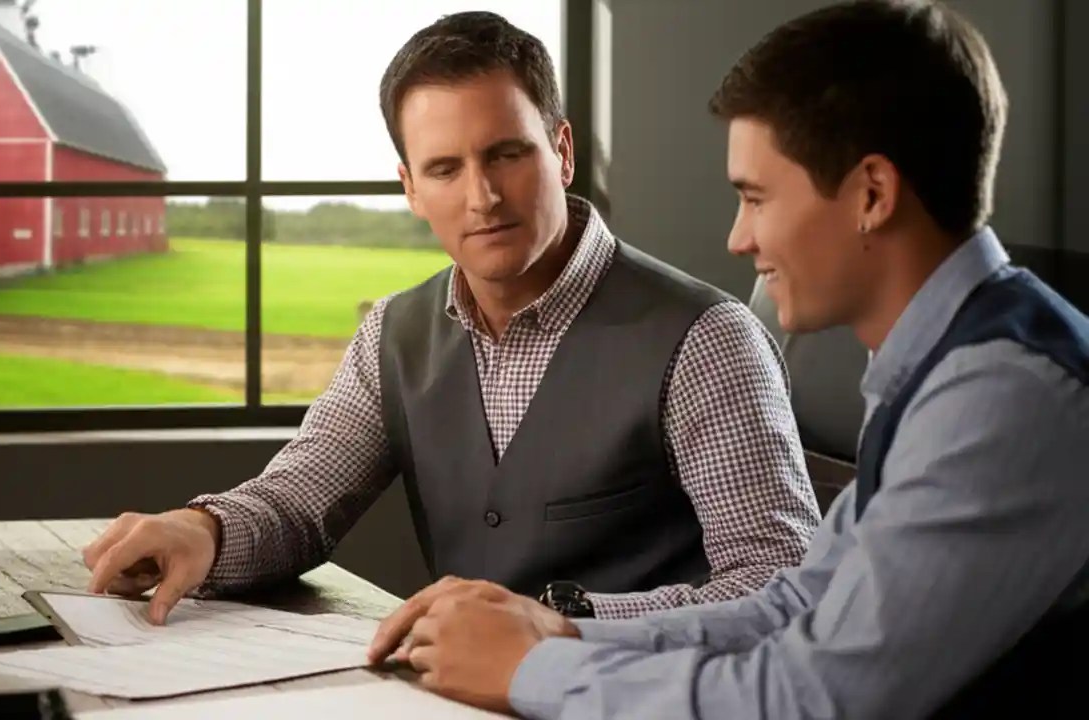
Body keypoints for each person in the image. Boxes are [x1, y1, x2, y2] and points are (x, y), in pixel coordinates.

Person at [364, 1, 1089, 717]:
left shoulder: (1002, 396)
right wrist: (561, 633)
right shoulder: (942, 367)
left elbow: (815, 697)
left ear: (871, 194)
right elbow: (796, 602)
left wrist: (532, 670)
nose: (739, 239)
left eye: (757, 198)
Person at [81, 11, 820, 627]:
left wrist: (567, 621)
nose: (482, 197)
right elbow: (300, 501)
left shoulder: (707, 340)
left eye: (507, 155)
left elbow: (782, 584)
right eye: (445, 169)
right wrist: (203, 529)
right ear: (410, 188)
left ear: (561, 152)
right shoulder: (393, 334)